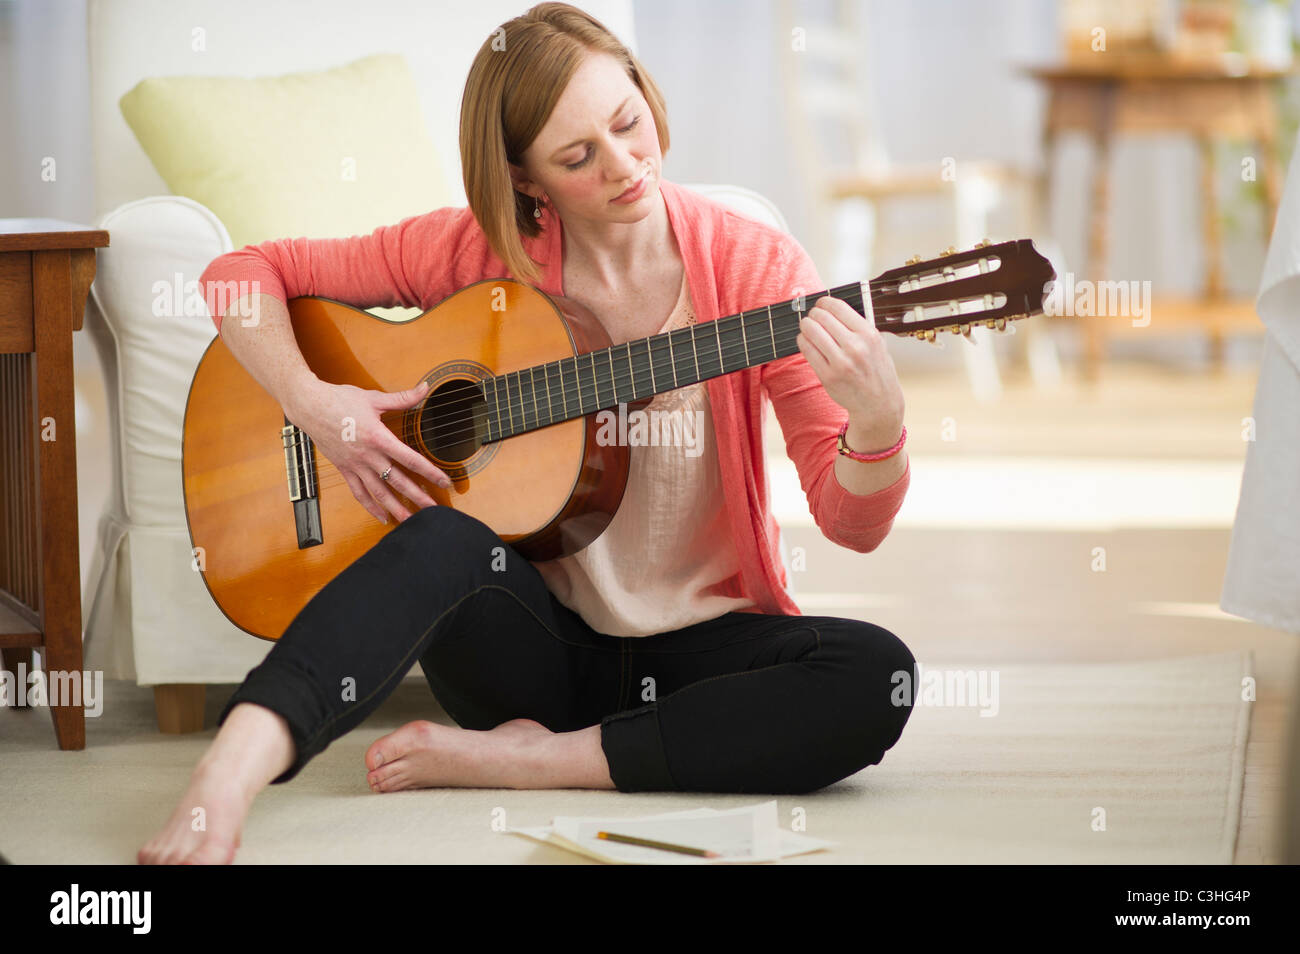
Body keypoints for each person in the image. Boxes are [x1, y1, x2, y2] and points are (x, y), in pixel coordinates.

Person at [139, 1, 915, 865]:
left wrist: (877, 427)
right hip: (532, 653)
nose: (625, 165)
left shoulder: (757, 270)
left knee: (873, 673)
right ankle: (231, 772)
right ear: (527, 181)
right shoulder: (476, 251)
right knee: (441, 538)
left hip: (703, 649)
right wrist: (321, 406)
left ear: (645, 91)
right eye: (578, 157)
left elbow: (854, 525)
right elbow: (242, 274)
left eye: (629, 123)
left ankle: (538, 761)